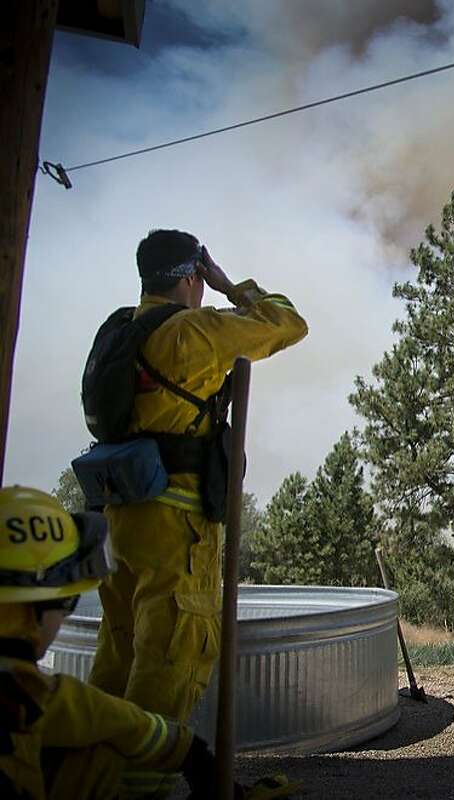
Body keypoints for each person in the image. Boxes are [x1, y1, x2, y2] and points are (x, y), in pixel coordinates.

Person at [87, 229, 307, 796]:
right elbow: (288, 323)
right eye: (200, 279)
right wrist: (231, 285)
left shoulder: (118, 330)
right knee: (171, 656)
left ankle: (96, 781)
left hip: (118, 516)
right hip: (175, 524)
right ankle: (144, 787)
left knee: (120, 651)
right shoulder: (190, 332)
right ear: (191, 276)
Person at [0, 485, 220, 799]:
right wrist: (193, 754)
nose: (64, 617)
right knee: (95, 761)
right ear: (30, 608)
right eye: (67, 601)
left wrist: (182, 747)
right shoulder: (19, 697)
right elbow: (84, 711)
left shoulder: (26, 690)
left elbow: (80, 708)